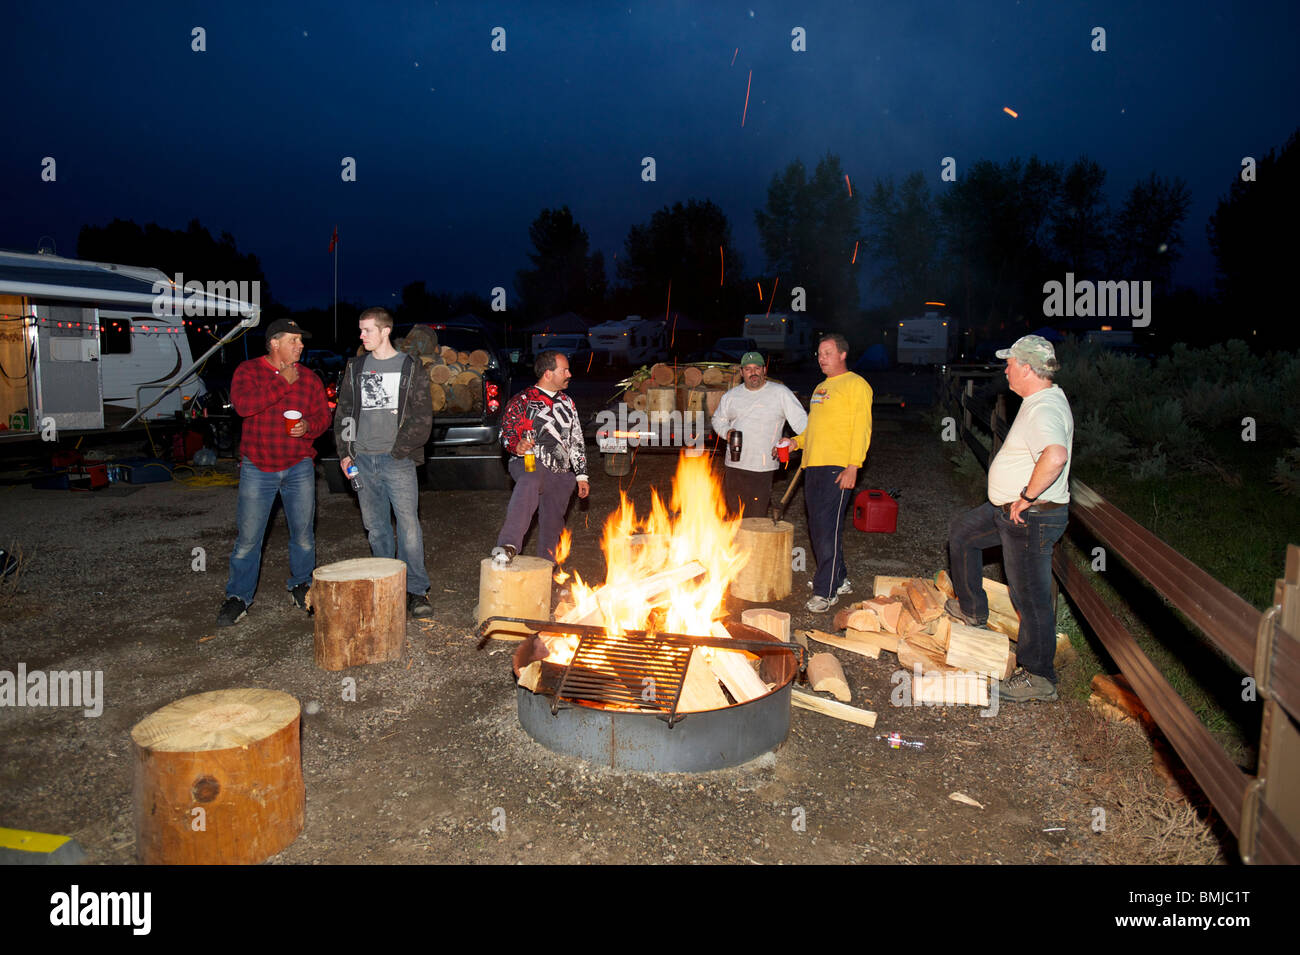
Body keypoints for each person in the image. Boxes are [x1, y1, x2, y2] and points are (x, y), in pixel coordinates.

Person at [946, 335, 1073, 703]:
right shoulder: (1039, 401)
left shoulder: (1044, 407)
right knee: (963, 534)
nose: (1006, 369)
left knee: (1029, 596)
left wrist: (1027, 496)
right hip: (1008, 512)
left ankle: (1038, 675)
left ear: (1029, 368)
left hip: (1029, 518)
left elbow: (1056, 454)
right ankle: (972, 609)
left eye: (1011, 363)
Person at [217, 319, 329, 626]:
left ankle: (302, 585)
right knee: (249, 538)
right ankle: (238, 596)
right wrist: (282, 381)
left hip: (299, 465)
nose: (300, 345)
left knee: (303, 535)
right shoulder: (249, 371)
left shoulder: (309, 378)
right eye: (293, 340)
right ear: (274, 343)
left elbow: (323, 416)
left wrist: (309, 427)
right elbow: (242, 406)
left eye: (301, 340)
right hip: (258, 467)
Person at [335, 307, 435, 618]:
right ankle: (386, 584)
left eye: (367, 330)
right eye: (360, 330)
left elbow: (422, 418)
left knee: (408, 528)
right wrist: (345, 452)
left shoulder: (410, 366)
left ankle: (416, 591)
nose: (362, 336)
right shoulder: (355, 367)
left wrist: (397, 450)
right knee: (375, 528)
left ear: (385, 331)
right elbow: (345, 412)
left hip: (397, 461)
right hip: (362, 460)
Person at [783, 334, 873, 613]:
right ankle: (840, 578)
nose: (822, 358)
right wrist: (796, 442)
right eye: (819, 353)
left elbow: (862, 428)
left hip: (838, 467)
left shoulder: (857, 385)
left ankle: (827, 591)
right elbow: (814, 428)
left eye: (828, 353)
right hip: (814, 466)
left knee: (826, 529)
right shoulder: (821, 388)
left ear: (842, 354)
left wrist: (853, 465)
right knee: (820, 528)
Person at [492, 351, 589, 564]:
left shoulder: (567, 403)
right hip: (528, 460)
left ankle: (548, 573)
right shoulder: (523, 400)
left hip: (560, 472)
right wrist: (516, 445)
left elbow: (576, 440)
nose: (569, 374)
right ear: (548, 373)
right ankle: (508, 545)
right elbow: (505, 433)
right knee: (531, 479)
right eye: (564, 370)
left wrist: (581, 475)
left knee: (553, 523)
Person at [711, 350, 808, 518]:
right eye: (748, 369)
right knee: (733, 517)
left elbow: (803, 424)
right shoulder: (731, 396)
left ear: (764, 370)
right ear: (741, 372)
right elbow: (717, 420)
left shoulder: (780, 393)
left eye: (757, 368)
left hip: (762, 467)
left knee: (755, 519)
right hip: (734, 466)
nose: (753, 373)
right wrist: (727, 432)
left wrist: (793, 442)